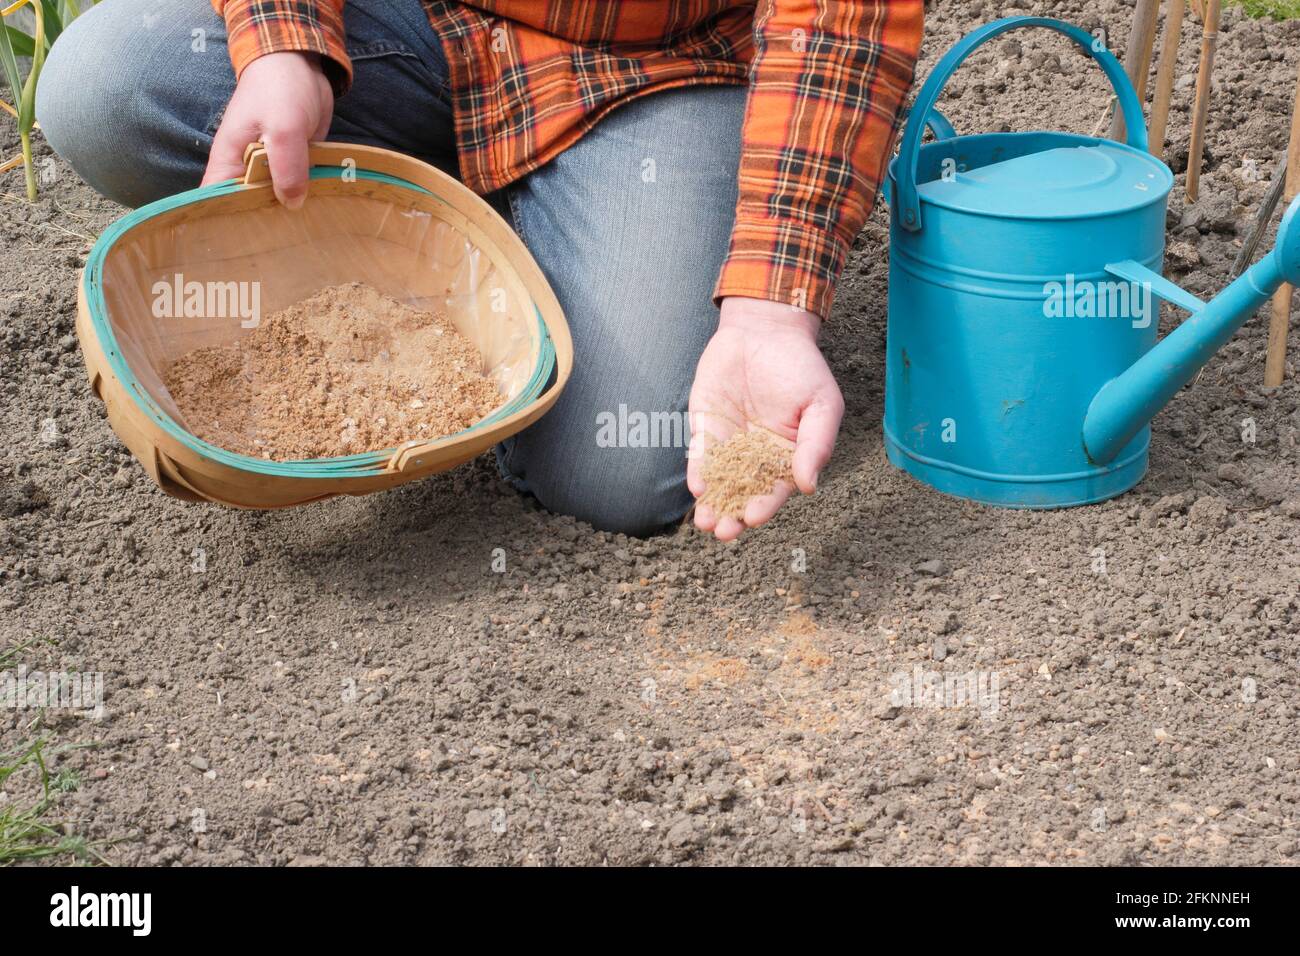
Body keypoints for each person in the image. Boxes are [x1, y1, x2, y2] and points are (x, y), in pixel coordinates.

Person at [37, 0, 922, 539]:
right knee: (111, 86)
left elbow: (838, 20)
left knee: (626, 464)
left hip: (654, 62)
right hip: (406, 23)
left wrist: (769, 309)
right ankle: (473, 227)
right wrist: (284, 45)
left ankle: (543, 237)